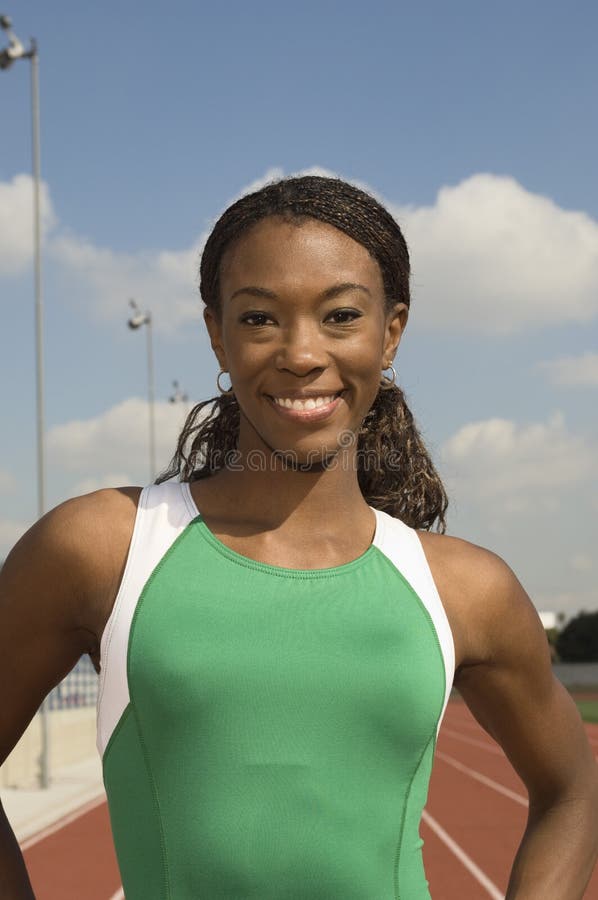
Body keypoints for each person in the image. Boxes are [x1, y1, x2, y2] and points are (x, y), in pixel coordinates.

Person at [1, 175, 597, 900]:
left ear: (392, 332)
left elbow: (574, 791)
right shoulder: (104, 548)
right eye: (259, 319)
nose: (302, 353)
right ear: (216, 332)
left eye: (341, 315)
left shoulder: (466, 591)